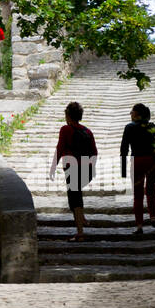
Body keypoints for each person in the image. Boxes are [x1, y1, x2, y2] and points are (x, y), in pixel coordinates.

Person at [50, 101, 98, 242]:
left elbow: (60, 148)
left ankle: (80, 233)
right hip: (86, 168)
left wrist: (53, 167)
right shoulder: (88, 131)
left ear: (68, 116)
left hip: (72, 167)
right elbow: (94, 152)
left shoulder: (66, 129)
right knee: (76, 195)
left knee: (74, 199)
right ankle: (83, 219)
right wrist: (91, 169)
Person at [120, 102, 155, 237]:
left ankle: (139, 226)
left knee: (138, 196)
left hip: (137, 162)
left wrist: (123, 170)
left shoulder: (129, 128)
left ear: (137, 114)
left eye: (131, 112)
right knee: (151, 191)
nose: (130, 114)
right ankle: (153, 217)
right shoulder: (152, 126)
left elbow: (124, 149)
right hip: (151, 162)